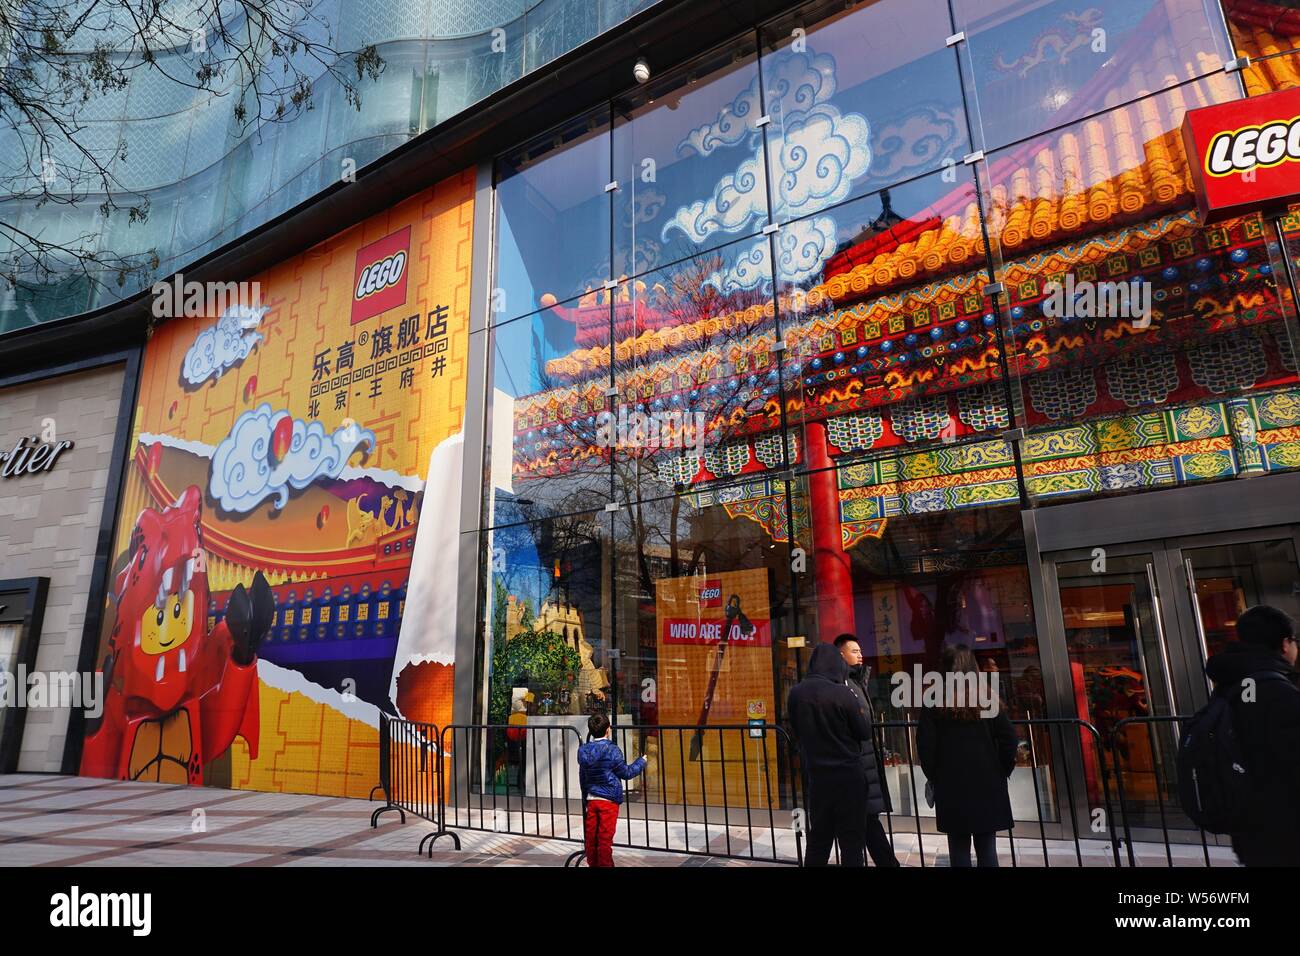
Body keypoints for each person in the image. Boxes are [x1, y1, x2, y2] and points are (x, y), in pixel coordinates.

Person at [1203, 604, 1300, 866]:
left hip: (1248, 825)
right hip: (1284, 827)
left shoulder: (1229, 685)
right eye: (1294, 641)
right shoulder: (1279, 692)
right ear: (1284, 644)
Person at [916, 644, 1017, 868]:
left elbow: (925, 746)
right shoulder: (988, 699)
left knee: (958, 847)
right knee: (987, 848)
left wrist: (935, 776)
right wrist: (1002, 770)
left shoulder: (934, 701)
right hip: (988, 782)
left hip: (951, 784)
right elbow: (1010, 740)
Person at [787, 642, 875, 867]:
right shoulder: (842, 693)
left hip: (818, 776)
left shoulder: (796, 693)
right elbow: (864, 731)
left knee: (818, 839)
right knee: (851, 841)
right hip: (849, 776)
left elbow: (795, 730)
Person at [834, 633, 900, 867]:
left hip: (866, 763)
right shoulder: (842, 685)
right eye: (854, 651)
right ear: (841, 655)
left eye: (860, 651)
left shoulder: (857, 682)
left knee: (867, 822)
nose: (860, 655)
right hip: (857, 764)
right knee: (863, 824)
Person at [577, 713, 646, 867]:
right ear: (608, 730)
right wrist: (641, 761)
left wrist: (585, 797)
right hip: (608, 801)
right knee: (604, 841)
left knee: (591, 839)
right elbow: (626, 773)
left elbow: (583, 776)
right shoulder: (612, 750)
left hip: (591, 799)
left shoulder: (583, 751)